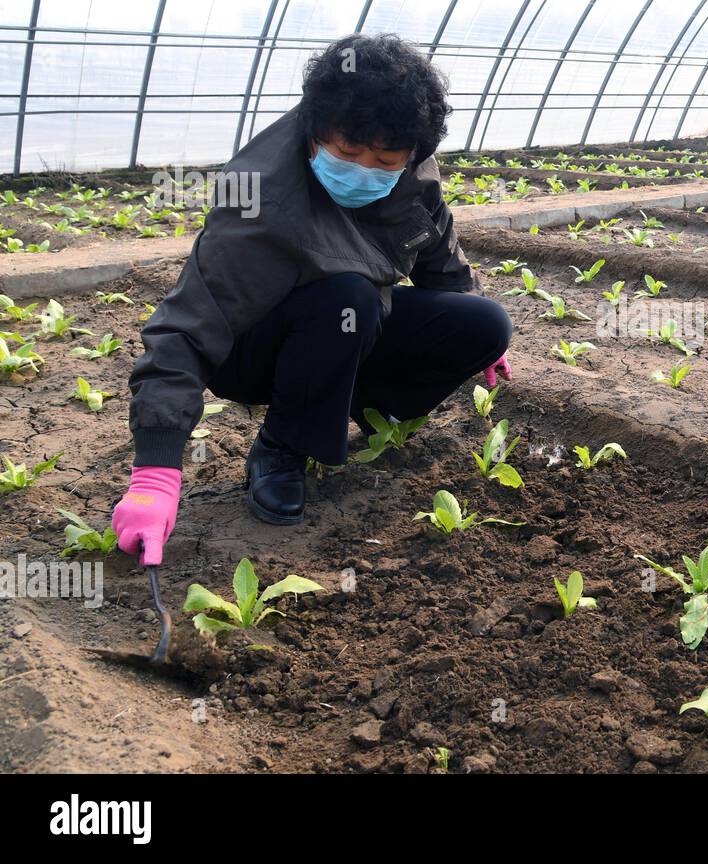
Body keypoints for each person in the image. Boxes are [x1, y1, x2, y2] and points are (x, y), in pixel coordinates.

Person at [111, 33, 513, 565]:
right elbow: (187, 325)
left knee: (484, 324)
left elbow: (433, 238)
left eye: (386, 159)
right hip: (251, 349)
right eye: (349, 152)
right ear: (315, 129)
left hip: (344, 326)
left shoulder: (412, 164)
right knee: (349, 297)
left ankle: (349, 399)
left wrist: (464, 304)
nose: (366, 168)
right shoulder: (261, 196)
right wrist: (156, 471)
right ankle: (281, 448)